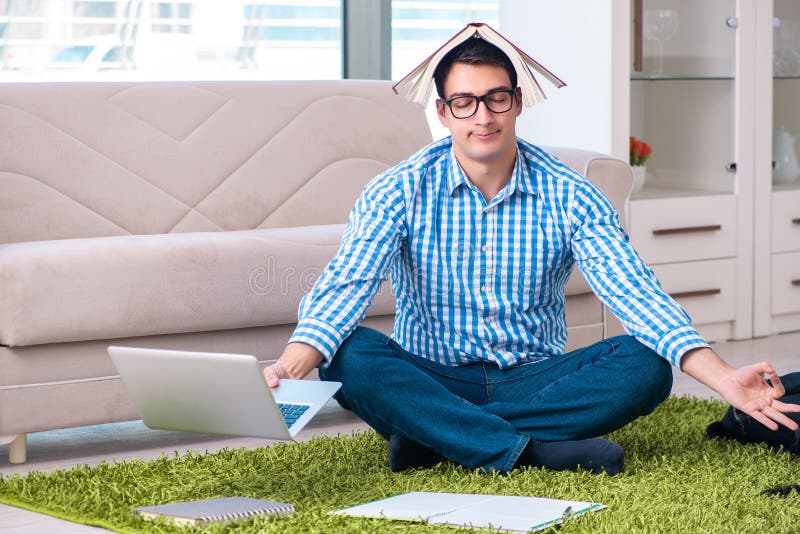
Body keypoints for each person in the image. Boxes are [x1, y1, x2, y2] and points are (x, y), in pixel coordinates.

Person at [263, 37, 800, 475]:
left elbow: (635, 294)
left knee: (647, 363)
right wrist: (290, 365)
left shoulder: (571, 193)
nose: (483, 116)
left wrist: (723, 375)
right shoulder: (396, 189)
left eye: (497, 98)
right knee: (346, 352)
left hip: (535, 378)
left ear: (517, 102)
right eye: (464, 103)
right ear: (444, 113)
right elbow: (346, 285)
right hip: (431, 375)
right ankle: (526, 450)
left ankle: (435, 438)